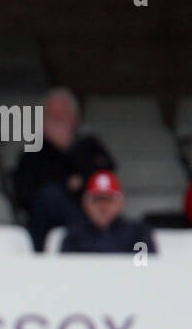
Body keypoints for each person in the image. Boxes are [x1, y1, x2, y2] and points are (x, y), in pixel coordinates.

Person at [12, 87, 115, 250]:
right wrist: (68, 185)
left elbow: (105, 181)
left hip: (89, 218)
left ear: (76, 119)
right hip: (45, 227)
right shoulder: (32, 151)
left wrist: (70, 150)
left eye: (64, 116)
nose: (59, 121)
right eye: (53, 117)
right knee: (51, 196)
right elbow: (25, 195)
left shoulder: (89, 146)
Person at [61, 171, 157, 254]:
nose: (103, 206)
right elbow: (67, 270)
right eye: (96, 200)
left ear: (120, 204)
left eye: (108, 200)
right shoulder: (74, 234)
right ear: (86, 204)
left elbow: (146, 268)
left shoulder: (138, 233)